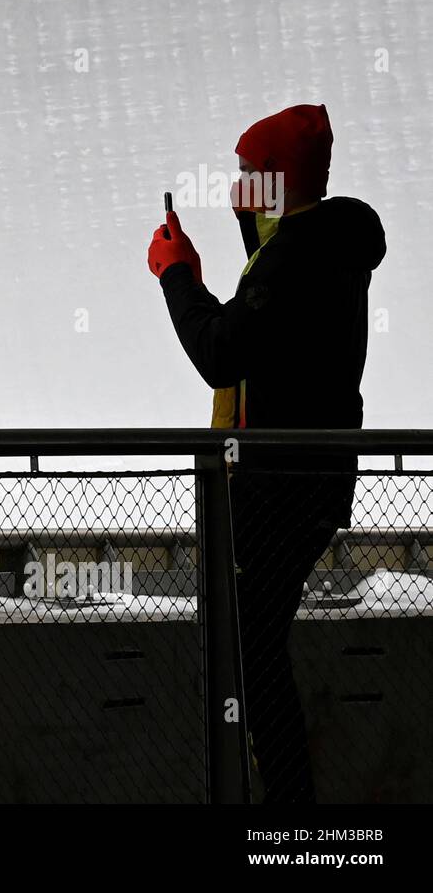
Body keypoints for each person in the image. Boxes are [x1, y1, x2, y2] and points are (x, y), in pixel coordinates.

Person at [147, 103, 386, 802]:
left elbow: (221, 352)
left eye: (250, 172)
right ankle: (283, 799)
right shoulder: (330, 247)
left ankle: (286, 808)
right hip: (314, 487)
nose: (237, 186)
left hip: (276, 490)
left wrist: (175, 275)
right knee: (257, 643)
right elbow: (256, 321)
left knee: (252, 650)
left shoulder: (296, 257)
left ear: (277, 181)